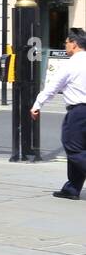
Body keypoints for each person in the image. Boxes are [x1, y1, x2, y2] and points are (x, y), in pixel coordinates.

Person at [31, 27, 86, 200]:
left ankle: (72, 188)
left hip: (79, 112)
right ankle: (72, 189)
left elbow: (53, 87)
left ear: (74, 44)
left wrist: (37, 104)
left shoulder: (71, 64)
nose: (65, 45)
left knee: (74, 148)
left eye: (67, 42)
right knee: (79, 149)